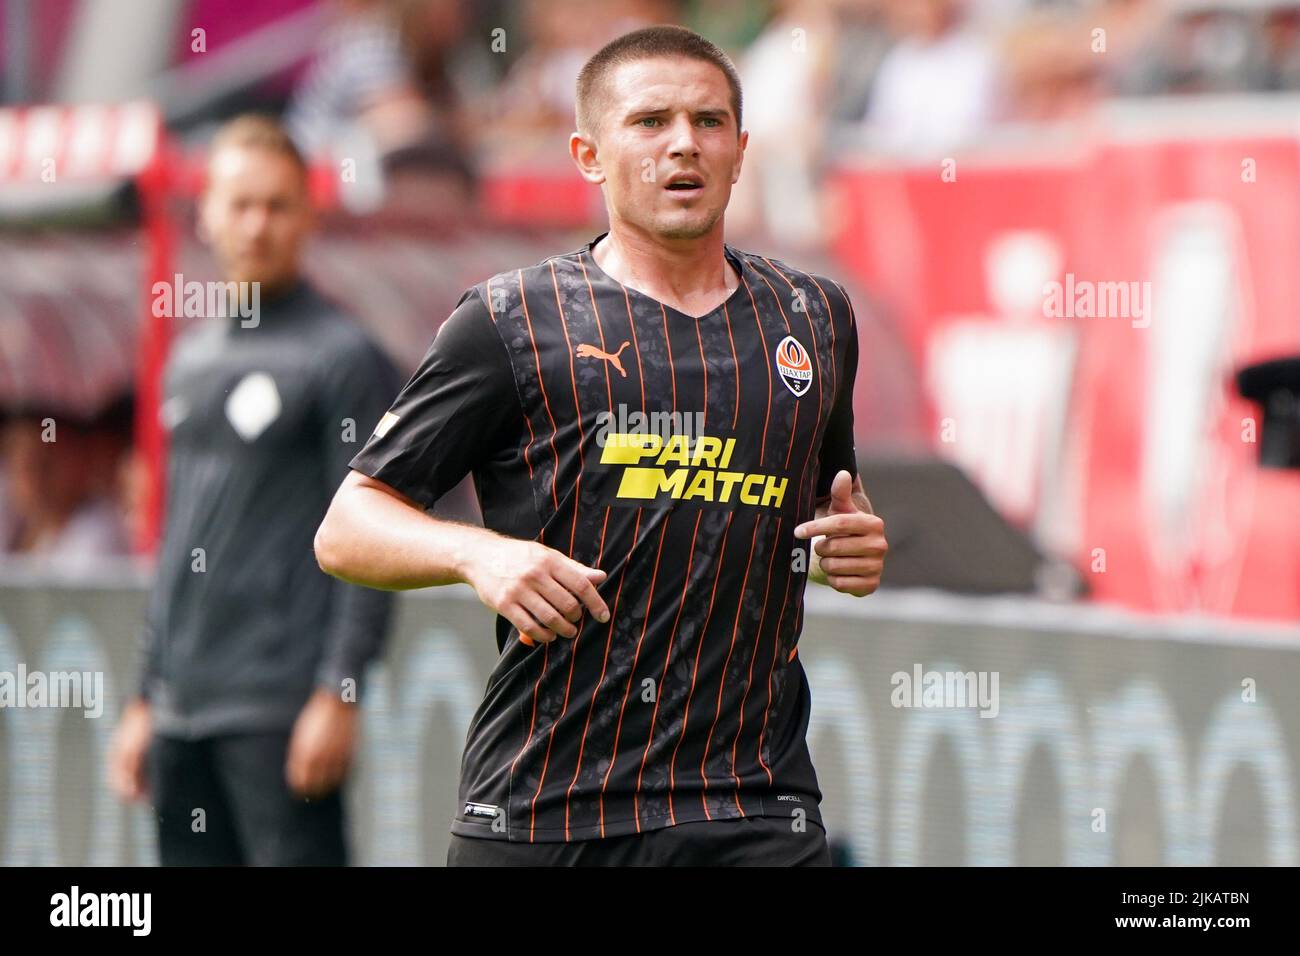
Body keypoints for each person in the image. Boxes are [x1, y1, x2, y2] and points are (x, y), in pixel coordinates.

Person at [314, 25, 887, 867]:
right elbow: (347, 527)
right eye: (650, 121)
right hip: (547, 808)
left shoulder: (813, 318)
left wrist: (858, 551)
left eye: (709, 121)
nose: (684, 143)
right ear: (588, 153)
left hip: (754, 807)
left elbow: (825, 510)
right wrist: (482, 557)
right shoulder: (510, 321)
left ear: (740, 150)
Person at [107, 115, 400, 866]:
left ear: (308, 215)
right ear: (205, 213)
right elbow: (179, 540)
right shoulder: (190, 358)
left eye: (277, 205)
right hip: (182, 708)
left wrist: (336, 693)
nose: (257, 224)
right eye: (239, 204)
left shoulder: (343, 357)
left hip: (278, 705)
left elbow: (373, 533)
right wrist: (145, 696)